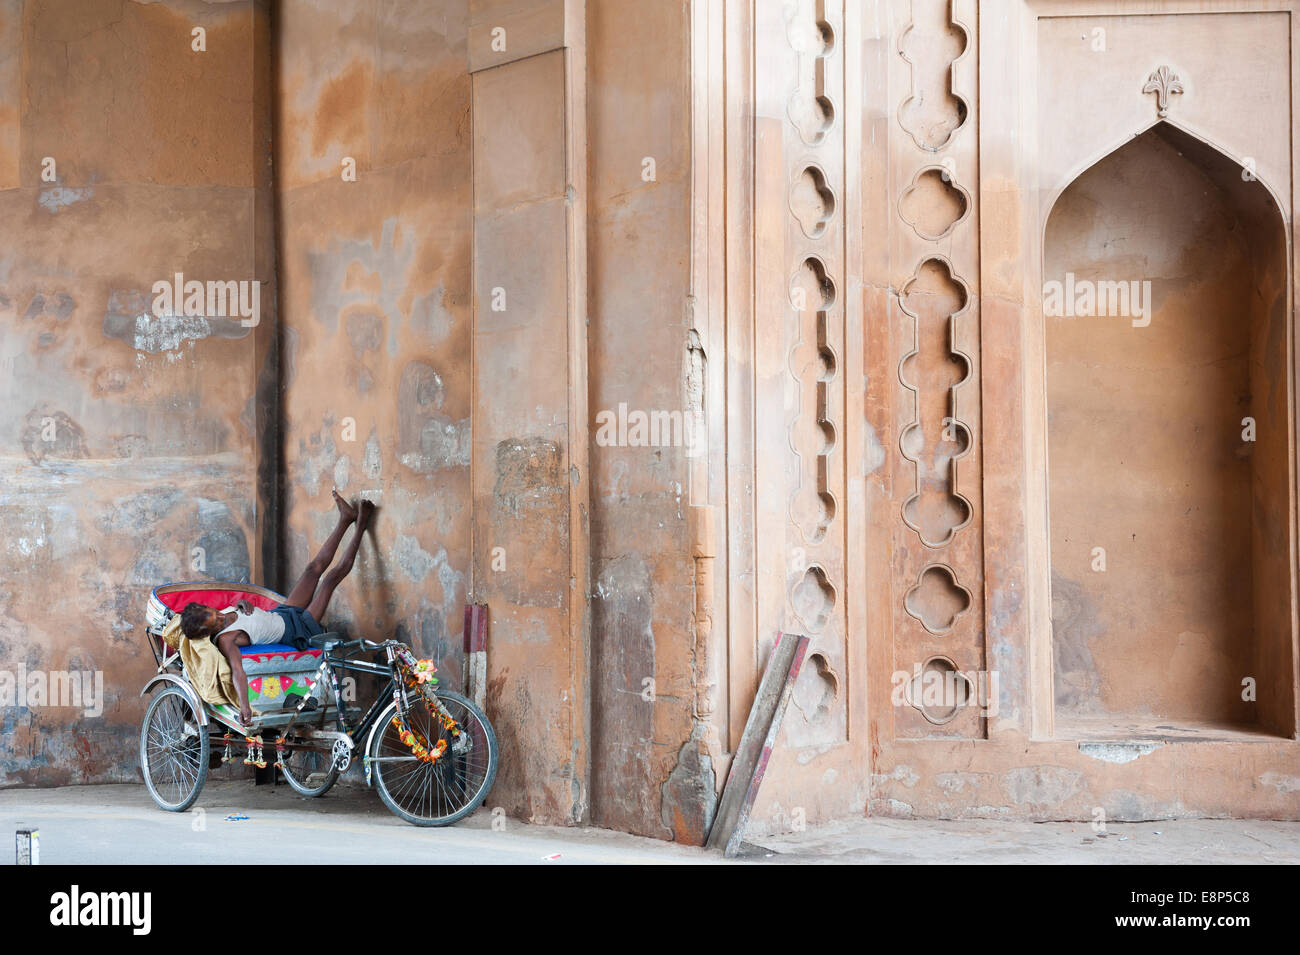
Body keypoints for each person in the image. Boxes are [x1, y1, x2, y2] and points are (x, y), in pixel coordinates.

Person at [179, 490, 375, 725]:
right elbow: (238, 672)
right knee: (330, 581)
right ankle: (361, 525)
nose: (219, 618)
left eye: (213, 613)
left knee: (312, 569)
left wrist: (242, 604)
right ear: (209, 632)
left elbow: (240, 610)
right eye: (214, 622)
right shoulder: (226, 640)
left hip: (282, 613)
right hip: (298, 631)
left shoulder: (224, 613)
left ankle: (345, 519)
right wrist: (245, 708)